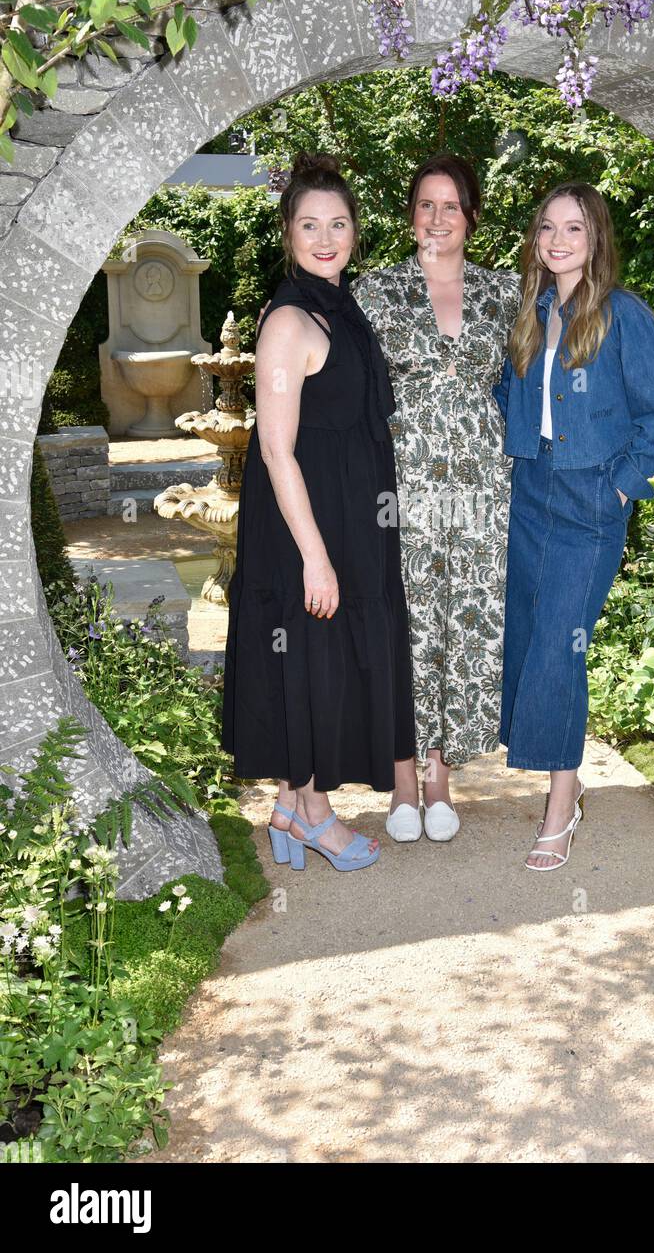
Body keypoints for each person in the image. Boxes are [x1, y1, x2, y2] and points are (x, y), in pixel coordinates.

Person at [220, 152, 416, 872]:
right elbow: (274, 450)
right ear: (287, 231)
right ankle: (314, 816)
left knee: (317, 658)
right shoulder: (288, 323)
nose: (326, 237)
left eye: (338, 223)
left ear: (355, 231)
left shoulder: (341, 304)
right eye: (310, 224)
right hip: (305, 524)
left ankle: (285, 805)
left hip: (349, 517)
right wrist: (315, 554)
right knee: (303, 658)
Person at [493, 181, 654, 871]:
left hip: (589, 501)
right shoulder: (532, 312)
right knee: (526, 635)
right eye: (546, 226)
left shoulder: (621, 315)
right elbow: (507, 394)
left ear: (596, 238)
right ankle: (565, 782)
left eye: (572, 229)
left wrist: (618, 485)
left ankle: (559, 809)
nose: (556, 240)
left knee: (558, 645)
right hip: (531, 492)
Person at [352, 154, 520, 844]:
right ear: (410, 215)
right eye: (426, 204)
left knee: (464, 617)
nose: (437, 218)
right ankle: (400, 782)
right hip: (402, 477)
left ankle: (443, 779)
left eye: (451, 205)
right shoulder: (375, 290)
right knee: (405, 619)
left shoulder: (505, 291)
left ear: (471, 217)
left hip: (480, 480)